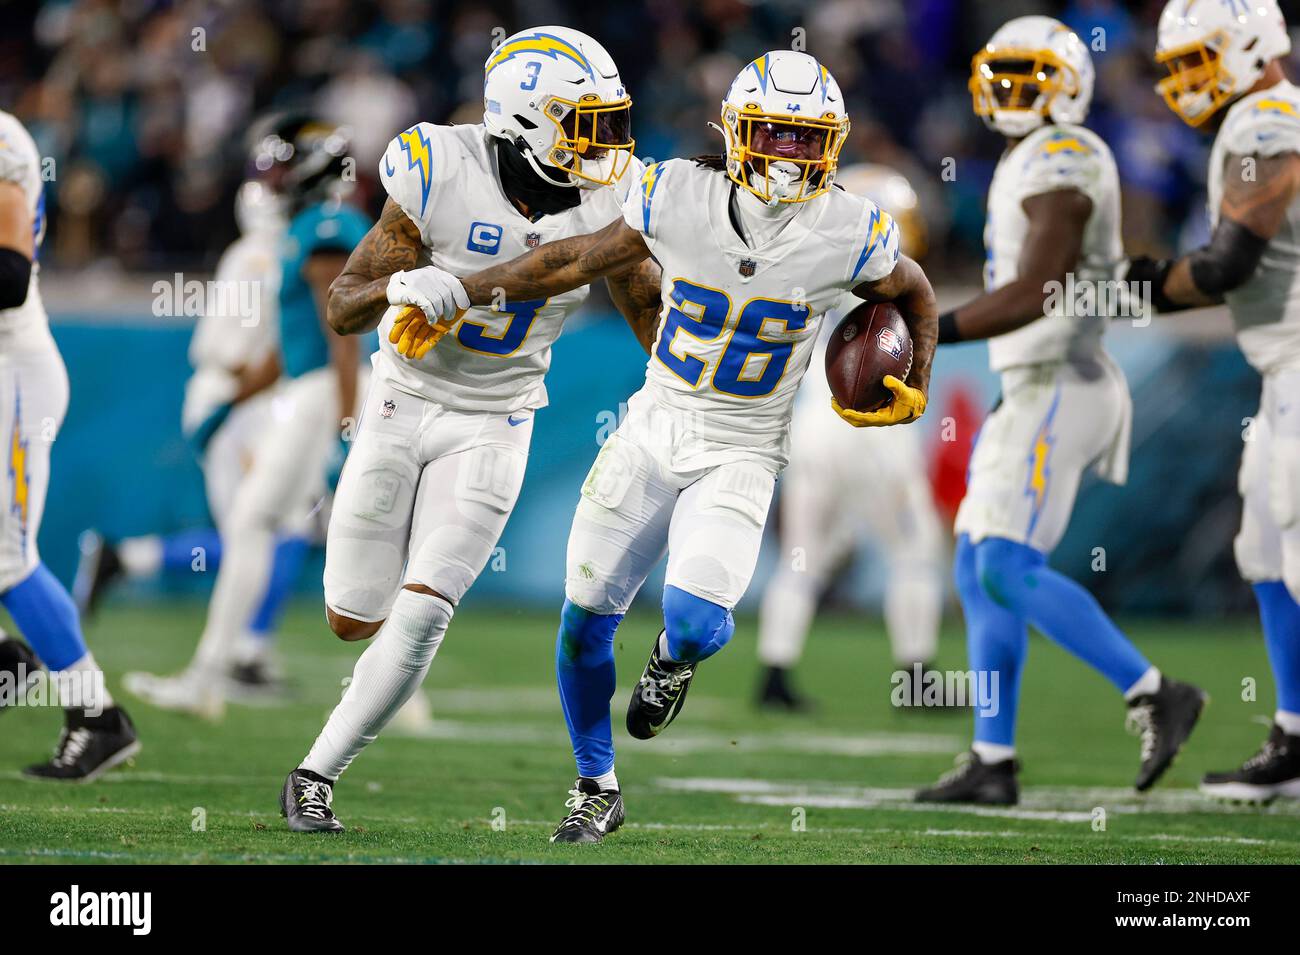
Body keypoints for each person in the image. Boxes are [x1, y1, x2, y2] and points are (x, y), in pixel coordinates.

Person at [412, 49, 939, 842]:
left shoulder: (849, 229)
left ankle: (670, 659)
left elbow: (915, 291)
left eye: (806, 137)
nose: (790, 154)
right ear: (735, 131)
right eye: (775, 133)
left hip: (744, 450)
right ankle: (596, 784)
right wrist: (464, 288)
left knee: (693, 622)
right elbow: (574, 258)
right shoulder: (676, 193)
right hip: (652, 431)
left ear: (832, 143)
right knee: (585, 618)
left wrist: (916, 379)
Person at [278, 27, 663, 833]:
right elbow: (342, 307)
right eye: (583, 124)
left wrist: (694, 394)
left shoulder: (612, 196)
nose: (605, 144)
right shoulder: (439, 166)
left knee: (425, 610)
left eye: (608, 122)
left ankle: (314, 774)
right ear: (524, 119)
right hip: (400, 402)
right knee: (352, 615)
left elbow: (651, 314)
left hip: (499, 415)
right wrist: (400, 286)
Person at [915, 16, 1204, 807]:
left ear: (1069, 86)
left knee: (1005, 566)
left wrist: (933, 328)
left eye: (1030, 78)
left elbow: (1040, 287)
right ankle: (992, 758)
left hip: (1061, 381)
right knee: (977, 565)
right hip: (1034, 384)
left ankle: (1155, 690)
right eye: (1002, 77)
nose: (1012, 92)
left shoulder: (1062, 153)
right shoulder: (1028, 154)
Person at [125, 118, 370, 720]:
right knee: (270, 526)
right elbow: (292, 346)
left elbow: (342, 340)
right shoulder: (308, 229)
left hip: (327, 392)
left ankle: (208, 678)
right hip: (314, 387)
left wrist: (345, 426)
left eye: (286, 170)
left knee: (262, 523)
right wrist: (231, 403)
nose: (275, 181)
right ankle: (212, 675)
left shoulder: (326, 228)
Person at [1132, 0, 1300, 802]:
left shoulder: (1269, 119)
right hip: (1281, 370)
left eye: (1200, 59)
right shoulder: (1253, 121)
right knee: (1263, 551)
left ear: (1254, 43)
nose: (1186, 81)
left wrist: (1138, 285)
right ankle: (1294, 735)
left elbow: (1228, 262)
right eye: (1177, 66)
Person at [755, 163, 946, 711]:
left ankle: (773, 676)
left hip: (815, 427)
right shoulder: (894, 274)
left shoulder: (814, 264)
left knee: (801, 559)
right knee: (915, 550)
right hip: (875, 431)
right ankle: (916, 680)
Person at [0, 107, 139, 780]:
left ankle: (96, 716)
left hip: (11, 376)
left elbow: (9, 274)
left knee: (7, 558)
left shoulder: (3, 142)